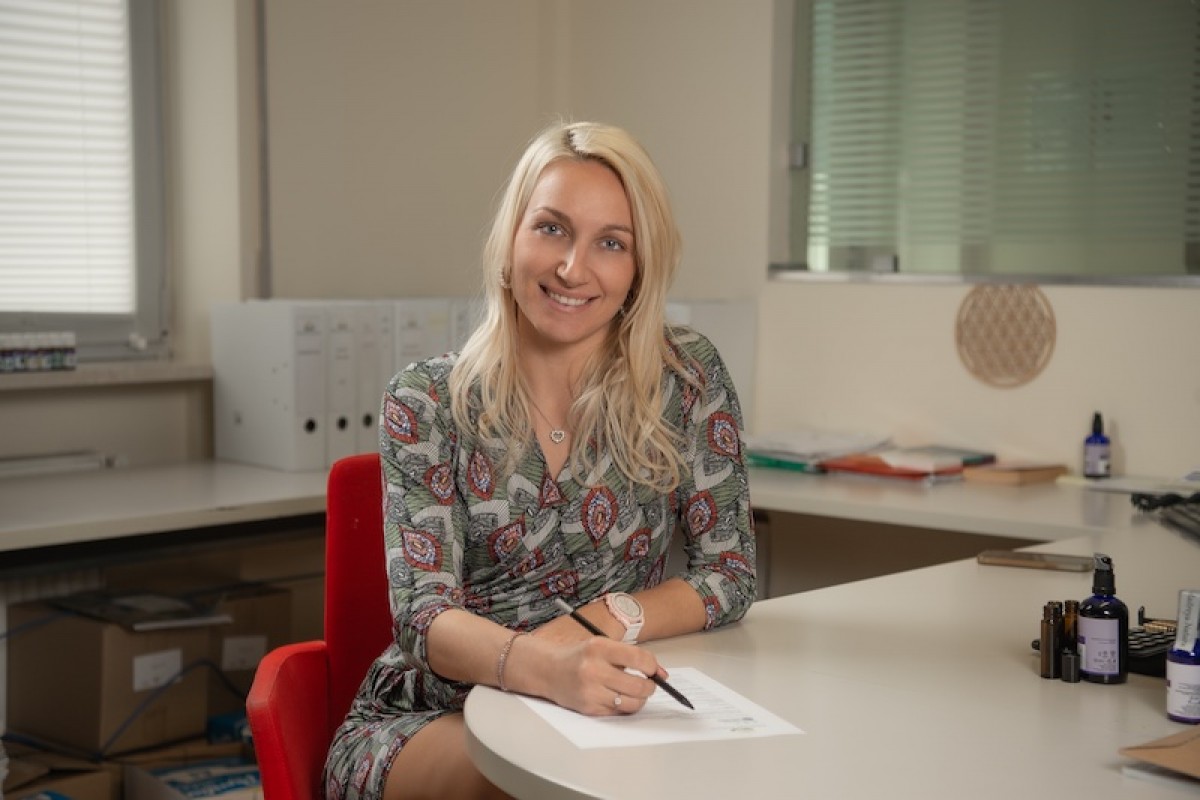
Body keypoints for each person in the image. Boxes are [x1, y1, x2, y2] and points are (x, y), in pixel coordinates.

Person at [323, 120, 756, 800]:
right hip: (431, 713)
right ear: (511, 240)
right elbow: (422, 616)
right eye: (551, 229)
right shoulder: (427, 398)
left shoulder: (688, 379)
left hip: (597, 705)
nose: (572, 268)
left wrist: (597, 625)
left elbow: (729, 574)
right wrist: (547, 667)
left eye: (611, 243)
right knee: (534, 782)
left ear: (639, 269)